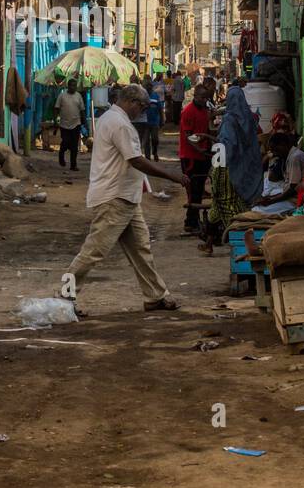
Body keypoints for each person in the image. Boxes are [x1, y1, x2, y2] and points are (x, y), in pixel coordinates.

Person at [64, 84, 190, 314]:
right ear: (131, 102)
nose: (142, 111)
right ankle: (63, 297)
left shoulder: (110, 118)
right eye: (141, 106)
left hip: (125, 197)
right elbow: (136, 160)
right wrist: (171, 175)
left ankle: (155, 295)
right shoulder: (120, 124)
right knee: (93, 252)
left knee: (141, 250)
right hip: (115, 197)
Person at [200, 85, 266, 249]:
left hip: (226, 169)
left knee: (226, 203)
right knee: (222, 204)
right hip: (243, 168)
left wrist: (215, 167)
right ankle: (210, 242)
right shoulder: (249, 119)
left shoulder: (229, 120)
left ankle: (241, 240)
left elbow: (225, 147)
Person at [179, 83, 215, 232]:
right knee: (193, 190)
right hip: (191, 156)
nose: (204, 100)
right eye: (202, 97)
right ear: (195, 96)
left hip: (202, 154)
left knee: (199, 188)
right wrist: (200, 149)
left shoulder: (205, 110)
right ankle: (191, 221)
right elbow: (188, 137)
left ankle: (194, 219)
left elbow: (206, 128)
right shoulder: (188, 111)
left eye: (206, 97)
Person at [253, 131, 304, 214]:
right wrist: (269, 198)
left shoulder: (294, 158)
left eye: (275, 149)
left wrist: (271, 201)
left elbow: (292, 189)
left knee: (257, 210)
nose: (274, 153)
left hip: (297, 200)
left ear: (283, 144)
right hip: (292, 196)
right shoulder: (289, 156)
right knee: (263, 199)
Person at [54, 77, 86, 171]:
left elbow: (82, 110)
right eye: (71, 85)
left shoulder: (78, 96)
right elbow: (56, 108)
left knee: (74, 146)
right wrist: (55, 120)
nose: (73, 87)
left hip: (76, 123)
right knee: (65, 142)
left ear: (76, 87)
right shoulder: (62, 96)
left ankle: (73, 165)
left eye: (74, 85)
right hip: (64, 124)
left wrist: (84, 122)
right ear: (68, 86)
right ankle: (61, 153)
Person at [142, 75, 163, 159]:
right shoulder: (142, 97)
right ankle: (147, 157)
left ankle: (155, 152)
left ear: (152, 87)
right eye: (147, 86)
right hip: (145, 122)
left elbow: (160, 109)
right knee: (146, 141)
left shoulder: (155, 96)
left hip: (155, 122)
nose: (149, 87)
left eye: (150, 86)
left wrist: (162, 119)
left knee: (155, 139)